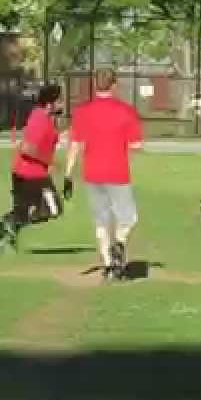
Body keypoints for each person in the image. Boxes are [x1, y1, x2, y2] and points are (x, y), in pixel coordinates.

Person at [62, 68, 144, 281]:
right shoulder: (126, 111)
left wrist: (68, 175)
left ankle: (108, 264)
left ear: (94, 84)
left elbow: (75, 145)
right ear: (114, 85)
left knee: (101, 221)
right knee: (129, 218)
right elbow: (136, 145)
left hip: (92, 173)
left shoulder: (82, 112)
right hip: (117, 173)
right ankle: (119, 245)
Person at [0, 84, 65, 251]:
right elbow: (27, 147)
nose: (62, 104)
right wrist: (50, 161)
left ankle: (1, 231)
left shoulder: (43, 118)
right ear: (50, 103)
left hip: (27, 173)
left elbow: (48, 140)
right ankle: (8, 225)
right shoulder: (40, 119)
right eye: (59, 101)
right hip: (31, 175)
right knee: (53, 208)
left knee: (23, 211)